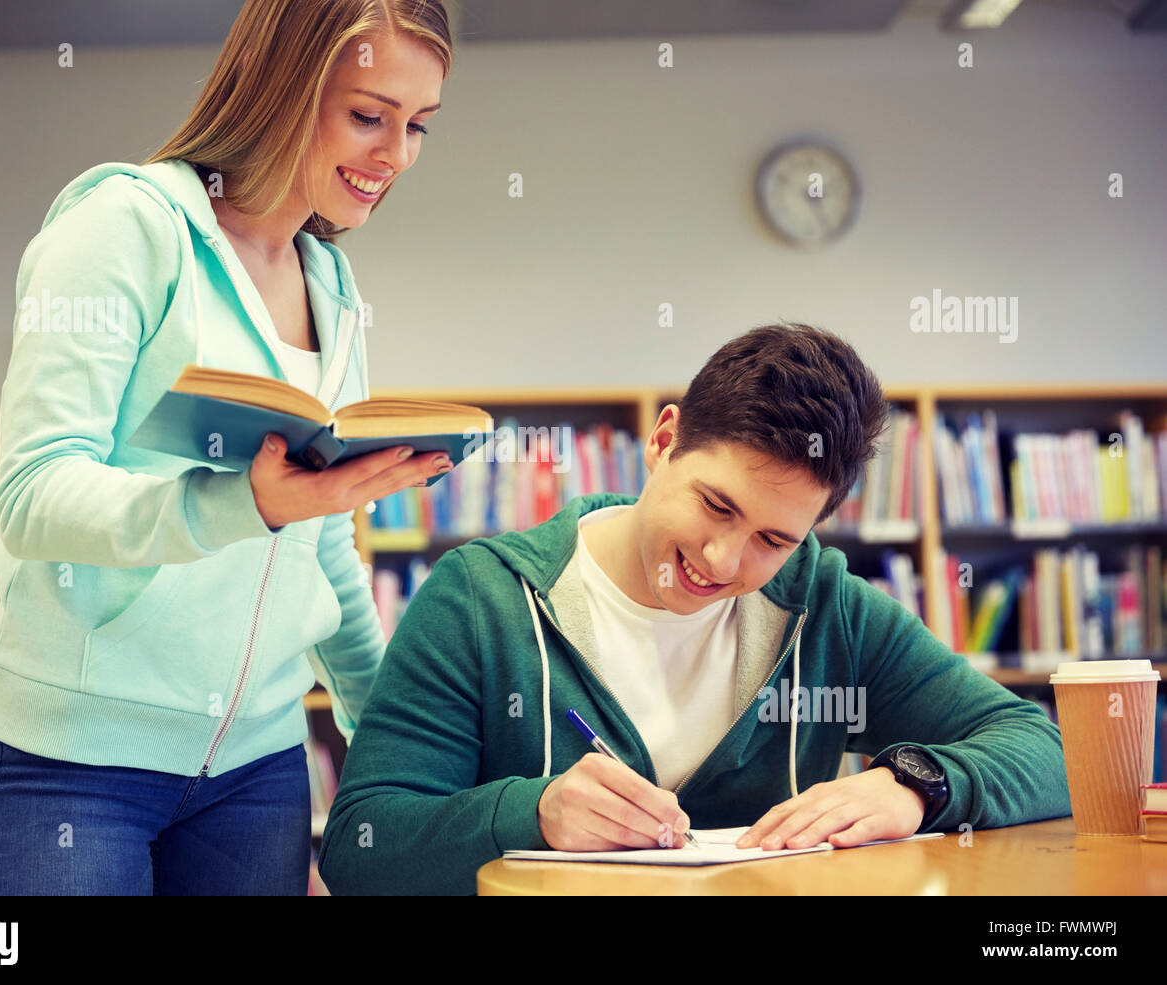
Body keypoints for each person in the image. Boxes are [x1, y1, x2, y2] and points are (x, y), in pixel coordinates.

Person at [0, 0, 453, 895]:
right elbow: (34, 492)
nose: (397, 155)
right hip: (76, 757)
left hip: (257, 769)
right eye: (367, 115)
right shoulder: (125, 228)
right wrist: (243, 503)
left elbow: (322, 548)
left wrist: (391, 735)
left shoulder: (333, 287)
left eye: (417, 125)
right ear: (282, 86)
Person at [317, 323, 1072, 895]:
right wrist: (532, 813)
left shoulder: (825, 606)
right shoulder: (480, 601)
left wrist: (914, 782)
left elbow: (1046, 750)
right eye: (715, 505)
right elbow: (360, 845)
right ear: (665, 439)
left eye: (772, 539)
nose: (721, 561)